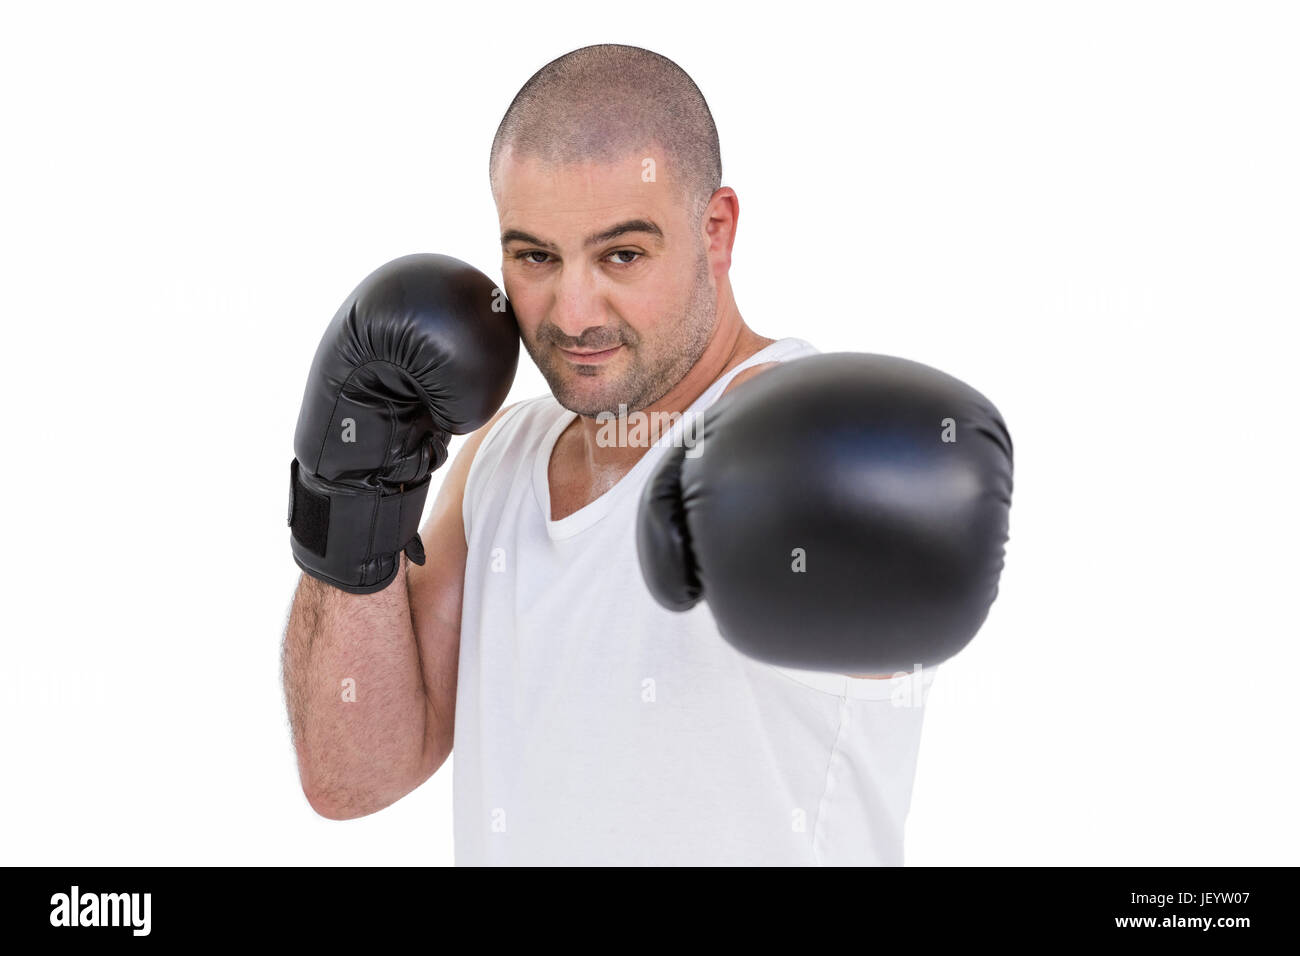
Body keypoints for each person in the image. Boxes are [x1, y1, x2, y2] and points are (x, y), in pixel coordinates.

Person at [282, 43, 1011, 866]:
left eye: (621, 255)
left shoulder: (797, 438)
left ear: (716, 229)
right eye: (535, 257)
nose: (573, 311)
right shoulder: (500, 455)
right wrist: (347, 503)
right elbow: (352, 780)